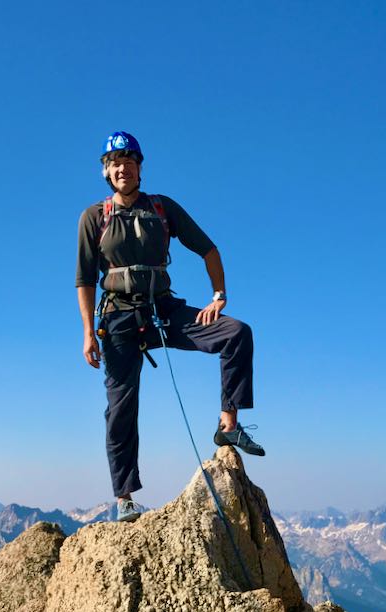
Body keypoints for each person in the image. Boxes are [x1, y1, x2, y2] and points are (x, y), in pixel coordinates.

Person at [76, 131, 264, 523]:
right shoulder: (94, 217)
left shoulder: (162, 208)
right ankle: (125, 497)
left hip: (163, 309)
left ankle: (228, 425)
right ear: (107, 172)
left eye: (129, 162)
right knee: (121, 407)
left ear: (139, 168)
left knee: (235, 333)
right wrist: (88, 332)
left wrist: (218, 295)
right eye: (115, 164)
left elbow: (209, 250)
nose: (123, 169)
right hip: (119, 317)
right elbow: (85, 279)